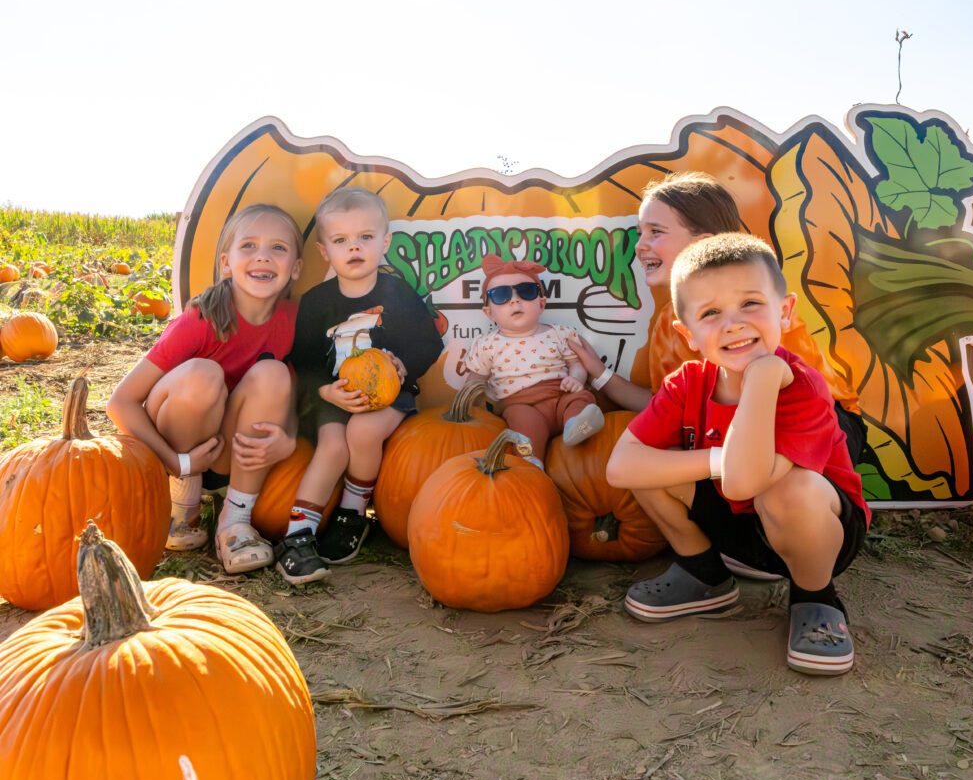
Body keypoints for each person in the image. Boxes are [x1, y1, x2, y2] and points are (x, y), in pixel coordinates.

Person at [567, 171, 866, 579]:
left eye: (655, 231)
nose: (641, 245)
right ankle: (708, 565)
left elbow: (777, 416)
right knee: (657, 456)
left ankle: (796, 564)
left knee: (781, 486)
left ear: (704, 242)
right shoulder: (670, 323)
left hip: (820, 426)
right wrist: (601, 377)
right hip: (731, 445)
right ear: (689, 334)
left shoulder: (760, 324)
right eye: (640, 233)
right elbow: (671, 407)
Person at [606, 232, 869, 675]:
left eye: (750, 304)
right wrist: (712, 461)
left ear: (784, 312)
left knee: (790, 489)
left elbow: (750, 482)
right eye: (711, 313)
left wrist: (764, 379)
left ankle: (815, 599)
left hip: (815, 532)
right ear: (687, 334)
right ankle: (704, 573)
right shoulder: (687, 383)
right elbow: (620, 466)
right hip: (735, 521)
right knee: (650, 463)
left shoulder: (801, 387)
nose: (733, 324)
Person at [107, 204, 303, 574]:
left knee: (274, 374)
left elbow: (294, 396)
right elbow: (122, 403)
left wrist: (288, 439)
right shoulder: (201, 319)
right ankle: (182, 507)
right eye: (250, 245)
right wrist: (177, 462)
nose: (263, 254)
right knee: (202, 374)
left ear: (295, 268)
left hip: (231, 452)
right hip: (180, 447)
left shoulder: (293, 322)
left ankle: (235, 522)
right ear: (226, 263)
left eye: (278, 247)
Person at [278, 186, 444, 585]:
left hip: (388, 395)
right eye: (341, 240)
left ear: (384, 242)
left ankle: (353, 512)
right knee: (334, 445)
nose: (354, 248)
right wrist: (323, 391)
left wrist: (404, 365)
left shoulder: (398, 294)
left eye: (365, 238)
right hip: (334, 394)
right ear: (324, 252)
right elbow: (303, 358)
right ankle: (297, 536)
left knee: (364, 431)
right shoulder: (317, 303)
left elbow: (429, 342)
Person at [463, 256, 605, 465]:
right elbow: (475, 380)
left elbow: (576, 363)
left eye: (526, 291)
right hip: (520, 403)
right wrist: (465, 408)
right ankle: (530, 460)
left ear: (541, 304)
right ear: (489, 312)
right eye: (501, 295)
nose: (515, 300)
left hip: (560, 394)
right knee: (524, 424)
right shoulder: (487, 344)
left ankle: (576, 426)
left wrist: (576, 378)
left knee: (581, 398)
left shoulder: (559, 333)